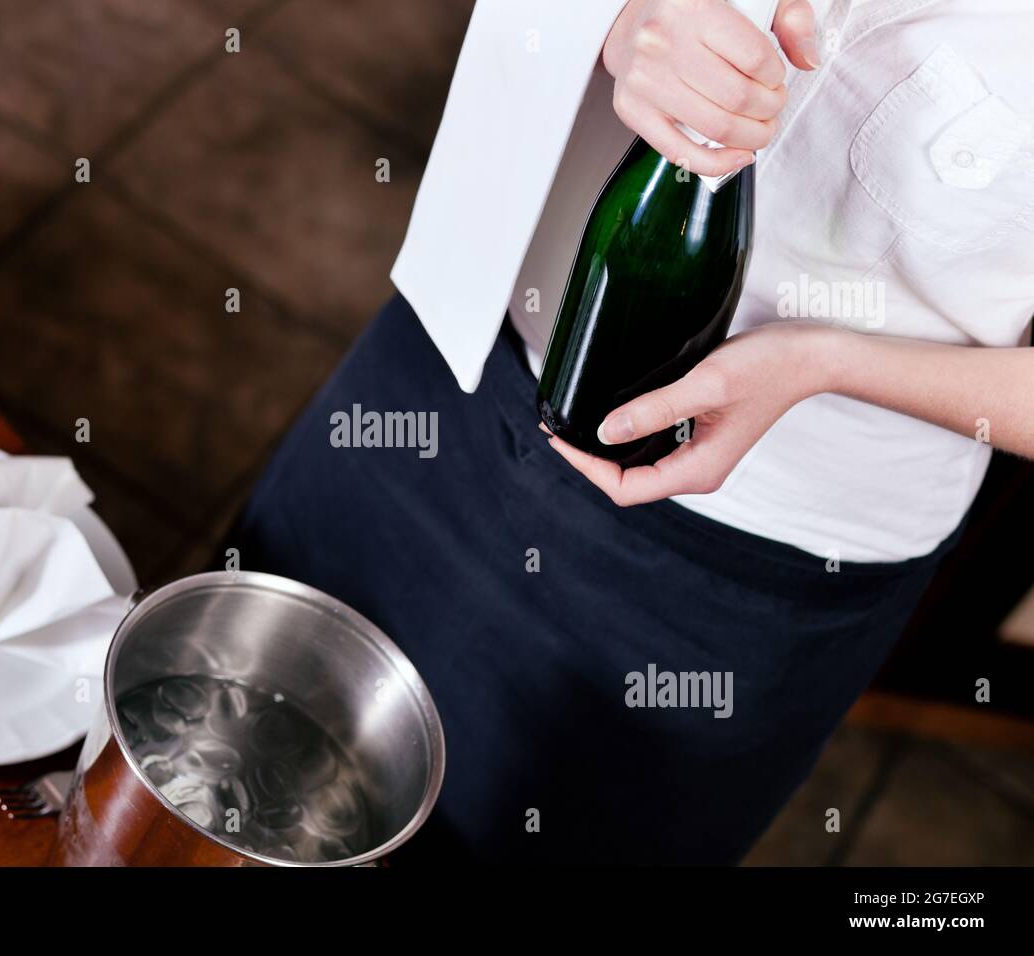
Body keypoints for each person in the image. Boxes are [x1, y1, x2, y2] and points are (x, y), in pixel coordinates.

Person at [231, 0, 1034, 863]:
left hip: (740, 570)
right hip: (468, 349)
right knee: (231, 727)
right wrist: (612, 16)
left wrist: (824, 360)